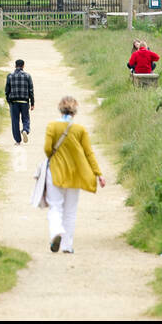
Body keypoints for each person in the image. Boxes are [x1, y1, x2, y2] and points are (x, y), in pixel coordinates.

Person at [43, 95, 105, 254]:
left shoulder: (52, 126)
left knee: (55, 207)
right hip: (75, 174)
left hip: (55, 172)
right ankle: (67, 245)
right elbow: (89, 153)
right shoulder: (80, 130)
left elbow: (47, 149)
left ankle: (56, 231)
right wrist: (98, 174)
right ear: (75, 112)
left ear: (60, 108)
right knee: (70, 211)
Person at [4, 59, 35, 145]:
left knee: (15, 121)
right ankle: (25, 130)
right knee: (25, 118)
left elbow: (7, 90)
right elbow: (31, 91)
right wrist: (32, 103)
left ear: (15, 65)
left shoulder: (10, 76)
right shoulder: (27, 76)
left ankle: (18, 140)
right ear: (23, 66)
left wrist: (8, 100)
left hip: (14, 102)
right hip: (24, 102)